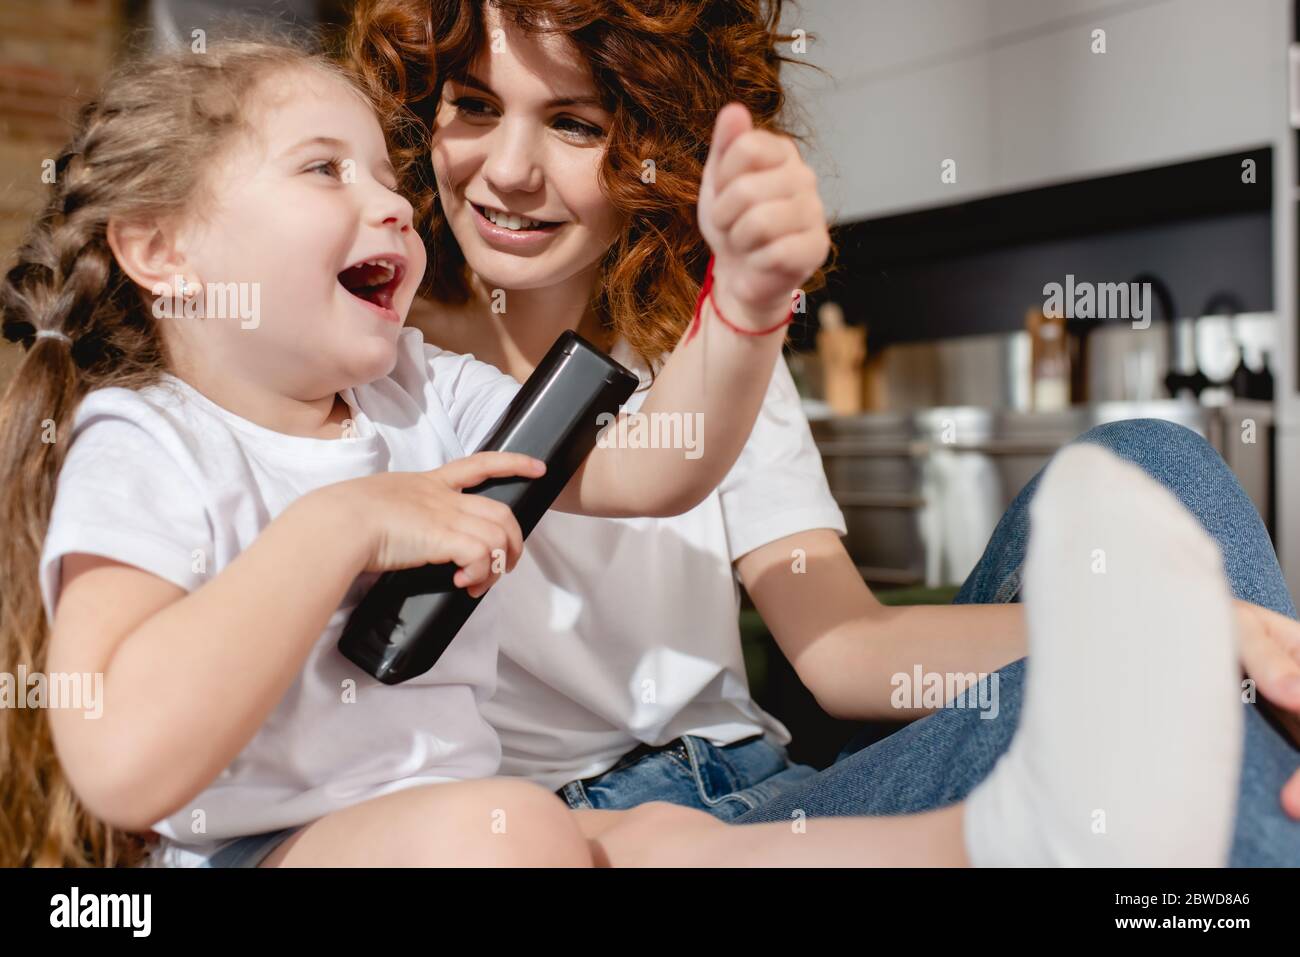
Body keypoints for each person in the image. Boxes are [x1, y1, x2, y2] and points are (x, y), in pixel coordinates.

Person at [347, 0, 1300, 864]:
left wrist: (1189, 625)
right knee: (1137, 704)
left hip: (779, 794)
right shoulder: (362, 347)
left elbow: (843, 646)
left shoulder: (699, 343)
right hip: (570, 831)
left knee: (1154, 464)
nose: (506, 170)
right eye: (472, 104)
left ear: (656, 145)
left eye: (574, 124)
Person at [0, 30, 826, 867]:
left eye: (390, 177)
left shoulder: (420, 391)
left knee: (666, 836)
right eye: (325, 169)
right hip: (256, 852)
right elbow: (118, 768)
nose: (396, 205)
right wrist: (341, 526)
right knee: (512, 832)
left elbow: (647, 469)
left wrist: (745, 299)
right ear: (160, 250)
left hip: (442, 829)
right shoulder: (143, 445)